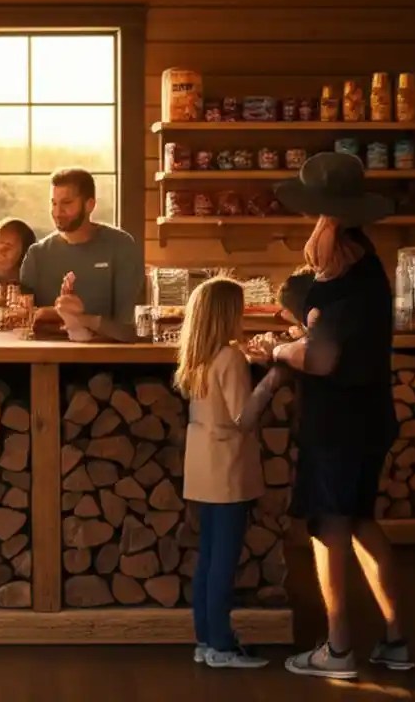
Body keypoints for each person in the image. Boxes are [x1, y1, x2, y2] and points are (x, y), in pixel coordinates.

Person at [247, 152, 410, 680]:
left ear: (326, 213)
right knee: (362, 522)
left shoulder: (342, 278)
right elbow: (326, 338)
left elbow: (321, 358)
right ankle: (396, 639)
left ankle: (338, 649)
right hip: (369, 417)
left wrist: (279, 352)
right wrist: (302, 334)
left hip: (338, 423)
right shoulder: (366, 264)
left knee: (329, 528)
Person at [175, 276, 286, 669]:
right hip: (228, 468)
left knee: (208, 557)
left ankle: (206, 639)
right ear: (227, 315)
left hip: (201, 464)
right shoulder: (231, 358)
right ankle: (223, 644)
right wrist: (274, 376)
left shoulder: (198, 357)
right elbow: (244, 417)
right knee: (224, 558)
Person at [18, 167, 143, 342]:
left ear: (89, 205)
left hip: (107, 359)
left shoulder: (121, 246)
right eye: (54, 203)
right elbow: (22, 324)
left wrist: (82, 318)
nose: (57, 212)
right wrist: (55, 312)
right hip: (44, 359)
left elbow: (130, 331)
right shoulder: (37, 254)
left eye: (67, 203)